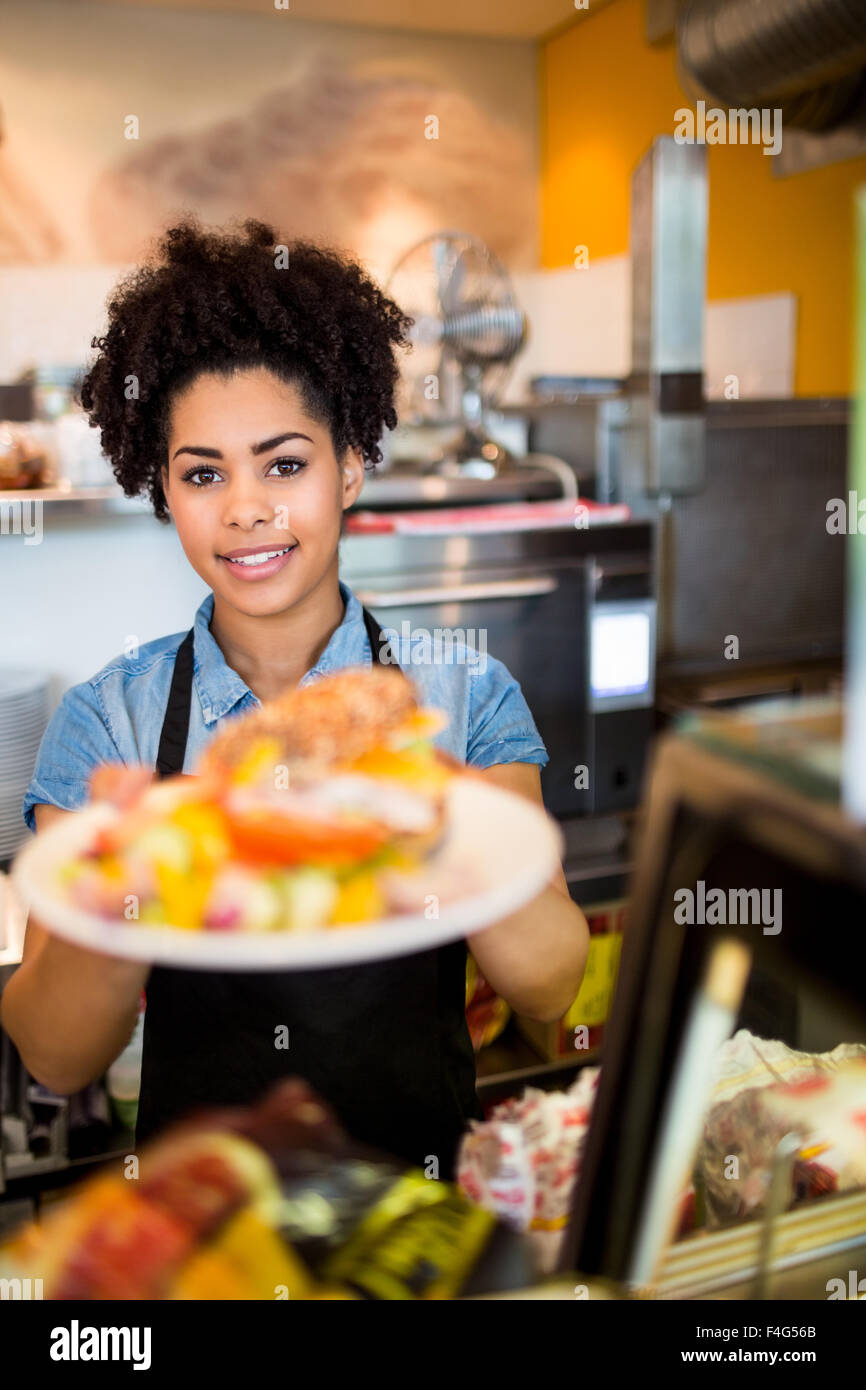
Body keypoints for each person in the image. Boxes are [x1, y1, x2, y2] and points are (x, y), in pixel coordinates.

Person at [2, 218, 589, 1180]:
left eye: (284, 463)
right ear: (164, 489)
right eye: (202, 473)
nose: (246, 508)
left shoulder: (462, 692)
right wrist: (129, 883)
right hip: (206, 1227)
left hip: (413, 1213)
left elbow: (553, 984)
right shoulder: (113, 720)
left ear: (350, 464)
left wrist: (432, 804)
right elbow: (57, 1053)